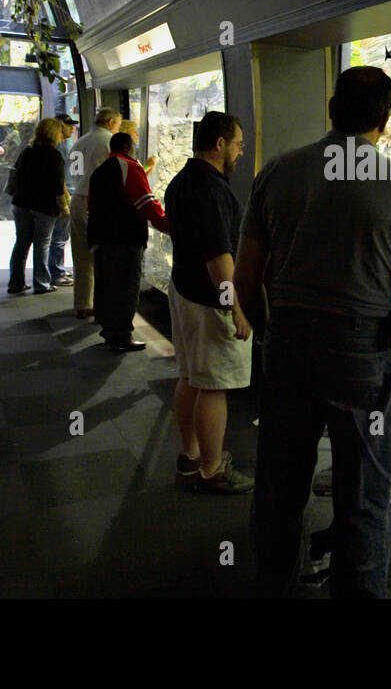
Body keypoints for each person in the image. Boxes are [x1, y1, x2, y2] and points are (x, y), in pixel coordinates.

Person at [234, 65, 391, 599]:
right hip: (364, 353)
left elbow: (244, 278)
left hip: (287, 344)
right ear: (386, 119)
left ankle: (275, 587)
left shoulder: (277, 173)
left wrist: (271, 331)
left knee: (280, 487)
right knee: (363, 496)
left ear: (332, 110)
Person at [166, 111, 253, 494]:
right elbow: (220, 256)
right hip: (210, 299)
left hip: (183, 290)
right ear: (219, 143)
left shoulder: (181, 181)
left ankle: (190, 455)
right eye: (238, 144)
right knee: (215, 385)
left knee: (189, 377)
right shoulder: (213, 189)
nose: (241, 152)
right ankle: (212, 469)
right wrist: (235, 306)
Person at [87, 131, 168, 351]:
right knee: (126, 288)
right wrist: (167, 224)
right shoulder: (129, 166)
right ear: (128, 147)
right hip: (125, 239)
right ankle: (121, 335)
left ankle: (109, 331)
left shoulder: (100, 171)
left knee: (107, 286)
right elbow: (145, 201)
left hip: (102, 238)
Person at [69, 107, 121, 318]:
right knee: (104, 257)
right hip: (99, 204)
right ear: (110, 123)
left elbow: (74, 174)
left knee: (81, 256)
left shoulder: (78, 143)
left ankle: (82, 303)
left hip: (78, 199)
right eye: (117, 125)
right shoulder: (110, 142)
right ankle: (102, 304)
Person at [8, 117, 66, 294]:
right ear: (54, 133)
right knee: (42, 244)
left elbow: (16, 175)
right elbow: (57, 186)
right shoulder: (54, 155)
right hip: (44, 206)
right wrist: (64, 207)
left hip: (21, 203)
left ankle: (15, 282)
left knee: (21, 243)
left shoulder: (27, 151)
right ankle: (41, 283)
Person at [47, 113, 77, 286]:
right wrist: (65, 201)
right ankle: (56, 272)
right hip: (58, 199)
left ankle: (55, 270)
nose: (72, 128)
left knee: (56, 237)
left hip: (57, 197)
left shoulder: (60, 147)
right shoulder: (57, 149)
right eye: (69, 125)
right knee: (58, 236)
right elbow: (59, 181)